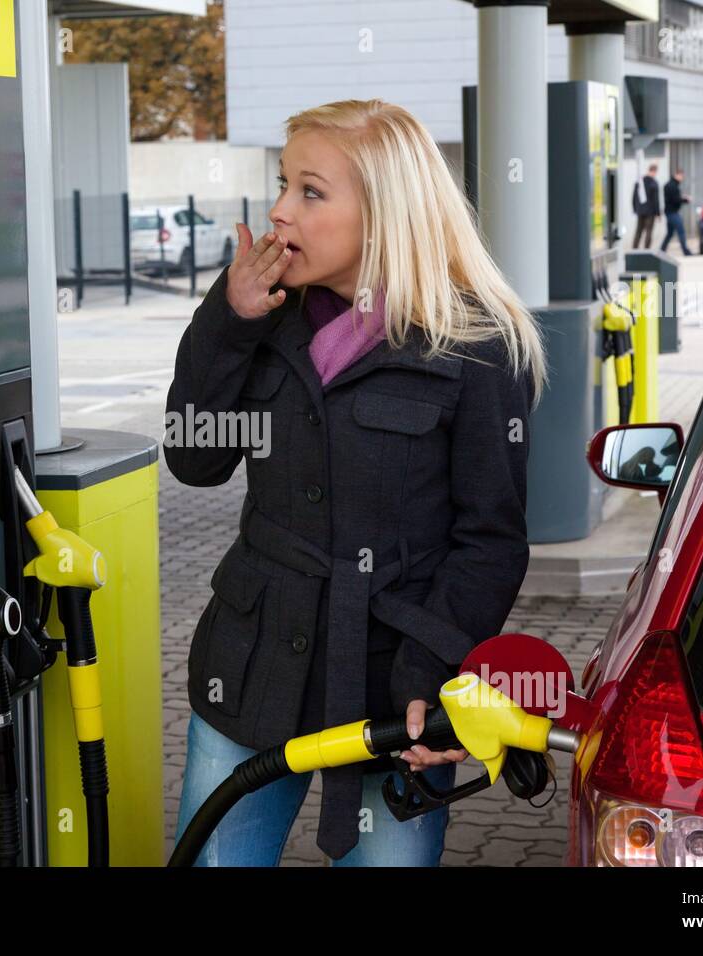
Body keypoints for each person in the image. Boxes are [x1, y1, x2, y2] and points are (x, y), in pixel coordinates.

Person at [164, 99, 547, 867]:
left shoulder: (474, 343)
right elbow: (193, 457)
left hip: (395, 691)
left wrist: (434, 678)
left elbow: (490, 541)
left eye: (310, 192)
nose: (278, 211)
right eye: (282, 184)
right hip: (253, 667)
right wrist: (228, 322)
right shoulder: (261, 312)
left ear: (386, 211)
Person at [660, 168, 693, 256]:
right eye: (681, 176)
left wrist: (682, 198)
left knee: (670, 233)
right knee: (681, 231)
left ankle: (661, 251)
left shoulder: (671, 185)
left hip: (670, 212)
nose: (682, 178)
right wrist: (686, 199)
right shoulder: (673, 186)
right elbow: (675, 200)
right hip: (672, 213)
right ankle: (686, 251)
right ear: (677, 175)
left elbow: (674, 198)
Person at [632, 163, 660, 249]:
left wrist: (635, 209)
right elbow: (656, 200)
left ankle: (634, 248)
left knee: (638, 231)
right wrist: (658, 213)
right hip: (650, 212)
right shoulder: (654, 183)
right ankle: (646, 250)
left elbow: (634, 197)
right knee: (649, 231)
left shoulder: (639, 181)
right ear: (654, 171)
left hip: (640, 211)